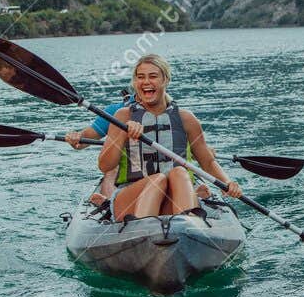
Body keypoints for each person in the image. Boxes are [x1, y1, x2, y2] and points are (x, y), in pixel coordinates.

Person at [97, 54, 240, 219]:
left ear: (165, 80)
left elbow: (207, 161)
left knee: (179, 172)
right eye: (140, 77)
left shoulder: (187, 119)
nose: (146, 82)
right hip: (130, 199)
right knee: (157, 179)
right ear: (135, 83)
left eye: (153, 76)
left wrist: (227, 183)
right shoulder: (122, 116)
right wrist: (123, 133)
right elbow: (105, 166)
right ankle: (144, 227)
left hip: (171, 199)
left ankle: (189, 223)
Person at [65, 91, 134, 208]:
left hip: (156, 167)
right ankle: (109, 206)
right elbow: (82, 142)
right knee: (112, 169)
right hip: (124, 166)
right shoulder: (116, 111)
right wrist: (75, 138)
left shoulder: (167, 110)